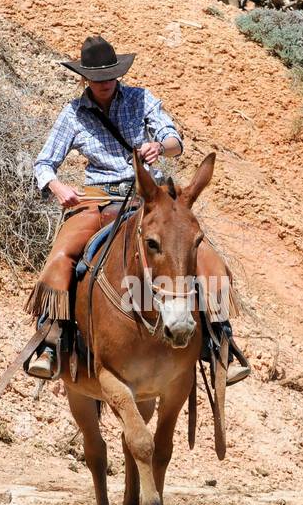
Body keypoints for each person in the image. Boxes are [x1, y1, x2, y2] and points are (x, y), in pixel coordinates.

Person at [23, 35, 249, 384]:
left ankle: (222, 339)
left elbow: (175, 142)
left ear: (119, 75)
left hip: (152, 200)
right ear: (85, 79)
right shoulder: (73, 113)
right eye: (97, 79)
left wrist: (159, 146)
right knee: (61, 258)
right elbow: (44, 162)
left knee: (205, 258)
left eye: (110, 77)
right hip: (97, 200)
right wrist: (57, 186)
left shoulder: (142, 99)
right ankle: (51, 339)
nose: (104, 84)